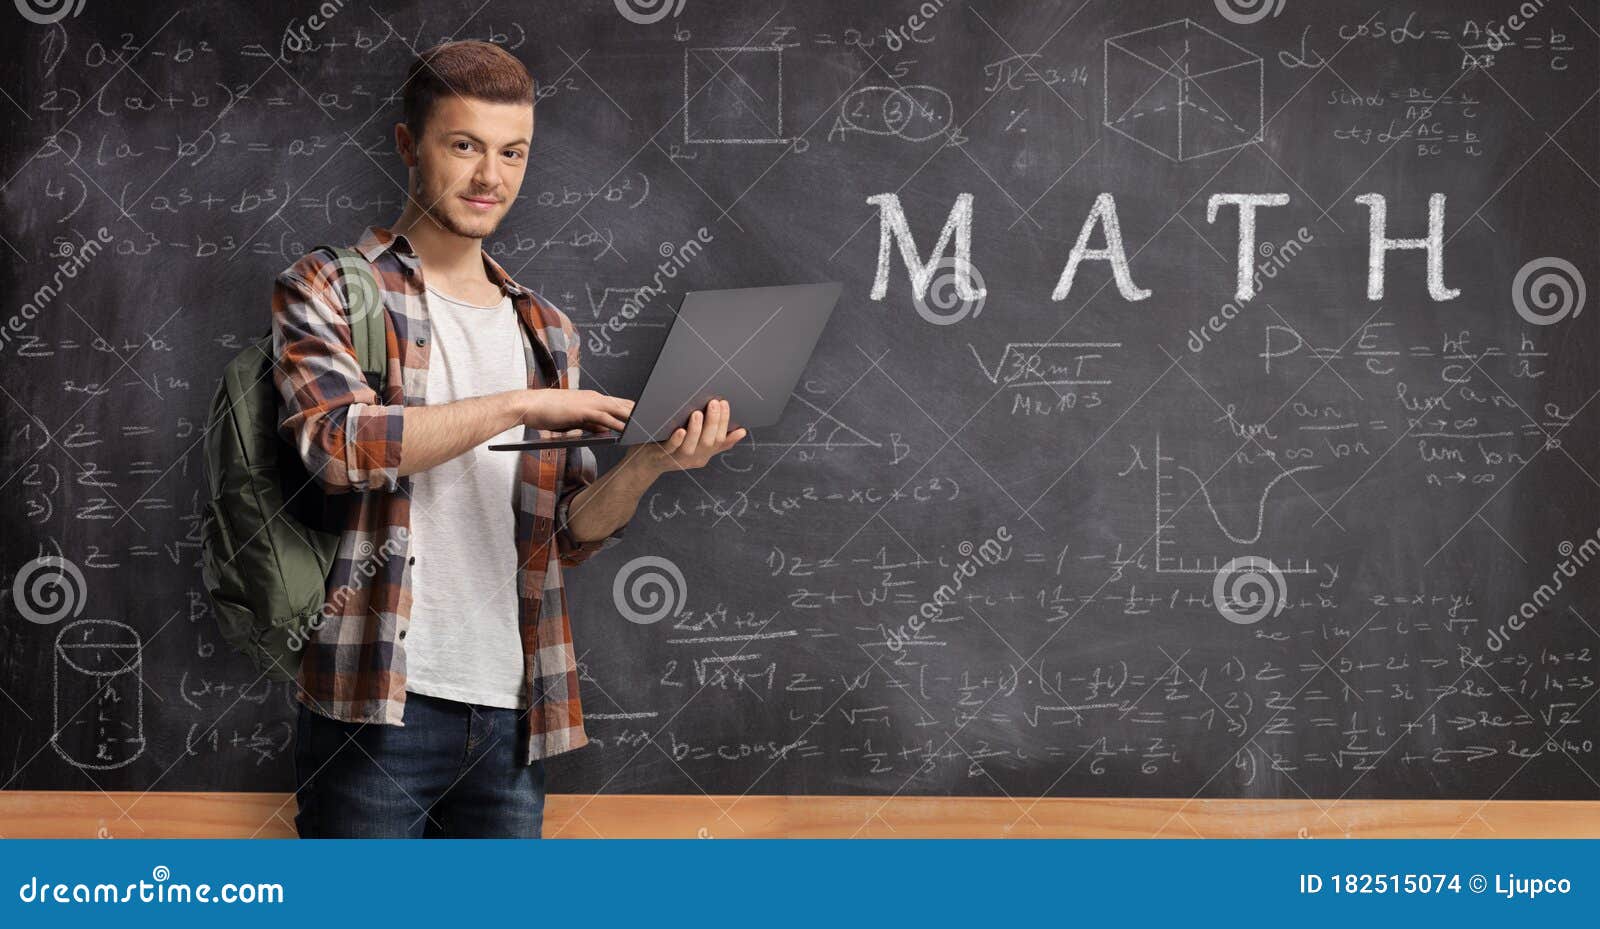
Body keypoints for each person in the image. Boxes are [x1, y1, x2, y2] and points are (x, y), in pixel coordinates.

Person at [275, 39, 743, 838]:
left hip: (511, 714)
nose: (491, 177)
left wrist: (652, 464)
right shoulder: (328, 285)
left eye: (512, 153)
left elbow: (567, 531)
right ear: (407, 145)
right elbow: (338, 445)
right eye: (464, 146)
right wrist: (519, 403)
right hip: (374, 706)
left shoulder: (546, 329)